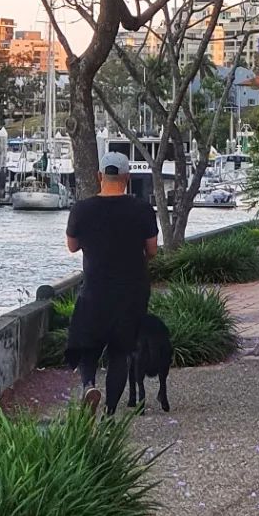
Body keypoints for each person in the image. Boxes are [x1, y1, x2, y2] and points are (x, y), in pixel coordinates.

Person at [64, 157, 159, 414]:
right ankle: (109, 413)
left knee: (88, 345)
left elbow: (72, 246)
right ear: (127, 178)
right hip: (132, 291)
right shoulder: (142, 209)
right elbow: (152, 251)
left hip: (94, 289)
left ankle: (88, 385)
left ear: (99, 176)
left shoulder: (82, 210)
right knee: (120, 352)